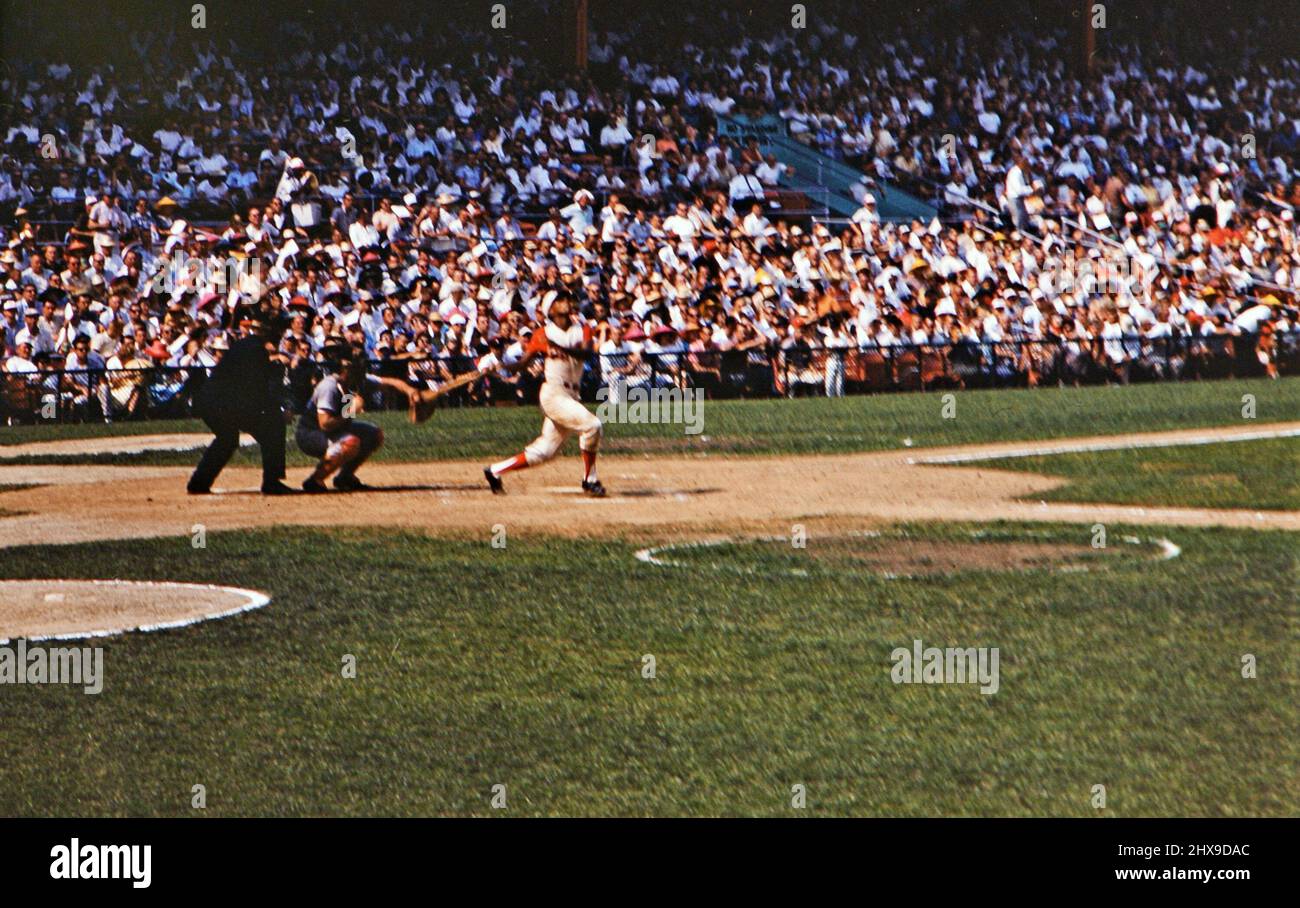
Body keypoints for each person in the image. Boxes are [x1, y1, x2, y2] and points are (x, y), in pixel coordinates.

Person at [483, 294, 606, 497]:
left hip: (571, 394)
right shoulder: (542, 334)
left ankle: (494, 471)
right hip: (553, 394)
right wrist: (500, 366)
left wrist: (559, 347)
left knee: (546, 451)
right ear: (551, 310)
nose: (566, 301)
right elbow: (522, 364)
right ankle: (589, 480)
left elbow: (586, 354)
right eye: (559, 300)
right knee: (593, 426)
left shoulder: (582, 329)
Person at [187, 309, 294, 495]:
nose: (281, 336)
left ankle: (199, 482)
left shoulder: (247, 346)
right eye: (279, 332)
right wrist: (280, 409)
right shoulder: (255, 350)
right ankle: (272, 481)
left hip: (213, 402)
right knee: (274, 425)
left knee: (227, 439)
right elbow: (257, 390)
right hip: (225, 404)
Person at [295, 353, 415, 493]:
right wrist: (351, 411)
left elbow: (390, 382)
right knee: (350, 442)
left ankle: (344, 477)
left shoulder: (357, 381)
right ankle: (314, 480)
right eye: (358, 369)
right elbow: (325, 424)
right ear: (346, 370)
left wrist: (411, 392)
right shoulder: (329, 387)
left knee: (374, 434)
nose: (363, 373)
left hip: (335, 429)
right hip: (311, 434)